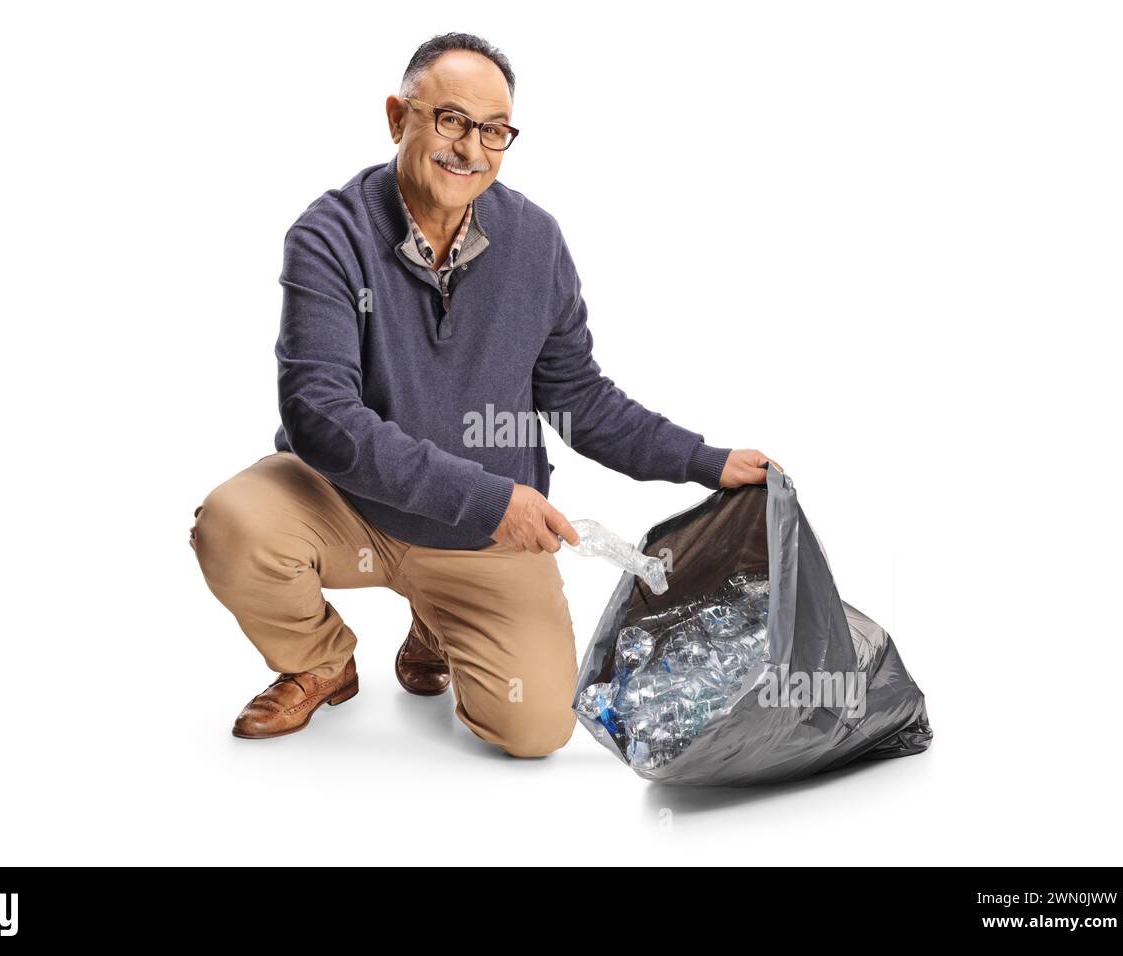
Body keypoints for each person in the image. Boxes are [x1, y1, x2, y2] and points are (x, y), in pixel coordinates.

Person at [189, 32, 778, 758]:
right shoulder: (330, 234)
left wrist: (706, 460)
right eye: (450, 120)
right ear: (397, 117)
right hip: (350, 506)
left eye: (494, 130)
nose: (471, 148)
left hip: (479, 540)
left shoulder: (536, 243)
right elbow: (320, 417)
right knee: (234, 523)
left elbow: (579, 399)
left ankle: (434, 622)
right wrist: (490, 498)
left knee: (534, 729)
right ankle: (320, 662)